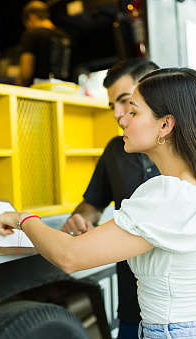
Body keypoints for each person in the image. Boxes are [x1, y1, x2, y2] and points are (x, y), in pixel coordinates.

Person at [0, 68, 196, 338]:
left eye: (134, 111)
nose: (122, 119)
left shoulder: (172, 194)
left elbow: (70, 257)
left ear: (165, 125)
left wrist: (22, 219)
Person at [61, 58, 160, 339]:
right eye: (112, 106)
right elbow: (92, 204)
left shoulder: (188, 160)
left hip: (177, 315)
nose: (118, 114)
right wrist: (80, 218)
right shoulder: (116, 150)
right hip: (132, 309)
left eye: (126, 101)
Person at [16, 0, 76, 86]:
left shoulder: (32, 34)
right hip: (66, 94)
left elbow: (26, 74)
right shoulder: (69, 39)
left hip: (40, 95)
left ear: (32, 18)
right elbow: (75, 74)